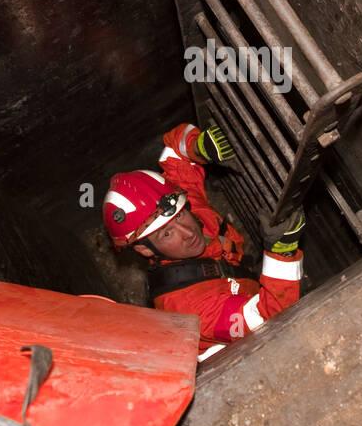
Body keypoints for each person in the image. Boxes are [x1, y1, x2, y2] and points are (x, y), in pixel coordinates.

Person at [103, 122, 305, 360]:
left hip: (238, 277)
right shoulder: (191, 308)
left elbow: (174, 150)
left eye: (181, 214)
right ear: (144, 250)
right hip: (247, 354)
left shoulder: (186, 208)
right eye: (166, 234)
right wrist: (281, 253)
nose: (188, 232)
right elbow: (271, 318)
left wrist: (198, 147)